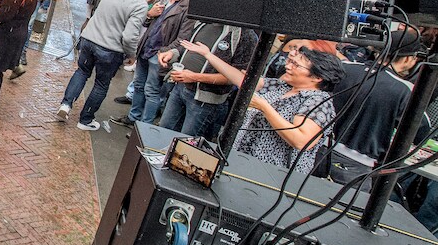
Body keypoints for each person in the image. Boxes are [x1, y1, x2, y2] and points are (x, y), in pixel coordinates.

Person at [183, 41, 343, 174]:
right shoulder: (282, 85)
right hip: (241, 159)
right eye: (291, 61)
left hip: (271, 172)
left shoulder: (318, 102)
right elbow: (243, 81)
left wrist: (264, 108)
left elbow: (302, 141)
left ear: (317, 77)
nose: (288, 66)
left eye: (296, 65)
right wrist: (208, 54)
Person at [327, 29, 431, 188]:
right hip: (356, 168)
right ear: (409, 58)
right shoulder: (405, 91)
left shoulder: (345, 68)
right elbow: (422, 132)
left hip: (318, 151)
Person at [57, 0, 152, 130]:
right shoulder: (140, 4)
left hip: (90, 38)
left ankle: (65, 105)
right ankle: (85, 120)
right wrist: (131, 54)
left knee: (82, 72)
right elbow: (129, 35)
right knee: (101, 84)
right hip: (110, 48)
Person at [115, 0, 195, 127]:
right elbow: (145, 21)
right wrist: (150, 14)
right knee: (138, 85)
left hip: (159, 55)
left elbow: (183, 39)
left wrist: (163, 52)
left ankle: (144, 127)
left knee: (152, 91)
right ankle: (133, 117)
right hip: (146, 48)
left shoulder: (187, 10)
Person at [156, 22, 259, 139]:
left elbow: (237, 77)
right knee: (164, 131)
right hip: (180, 88)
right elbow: (187, 46)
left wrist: (195, 77)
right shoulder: (204, 21)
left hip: (204, 101)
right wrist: (172, 53)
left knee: (185, 143)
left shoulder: (246, 35)